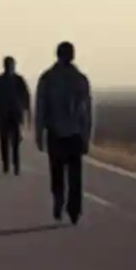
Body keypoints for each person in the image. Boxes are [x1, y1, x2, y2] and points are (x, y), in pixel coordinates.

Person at [35, 42, 94, 224]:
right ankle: (72, 208)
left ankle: (61, 199)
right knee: (72, 174)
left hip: (58, 133)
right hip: (72, 133)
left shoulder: (48, 78)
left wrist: (39, 133)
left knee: (59, 172)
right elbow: (87, 111)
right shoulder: (79, 79)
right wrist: (86, 136)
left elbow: (41, 108)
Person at [0, 56, 31, 175]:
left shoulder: (19, 80)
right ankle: (6, 164)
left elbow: (26, 95)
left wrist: (26, 108)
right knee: (4, 141)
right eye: (8, 64)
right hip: (4, 114)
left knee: (16, 142)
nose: (9, 67)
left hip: (16, 114)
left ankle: (16, 165)